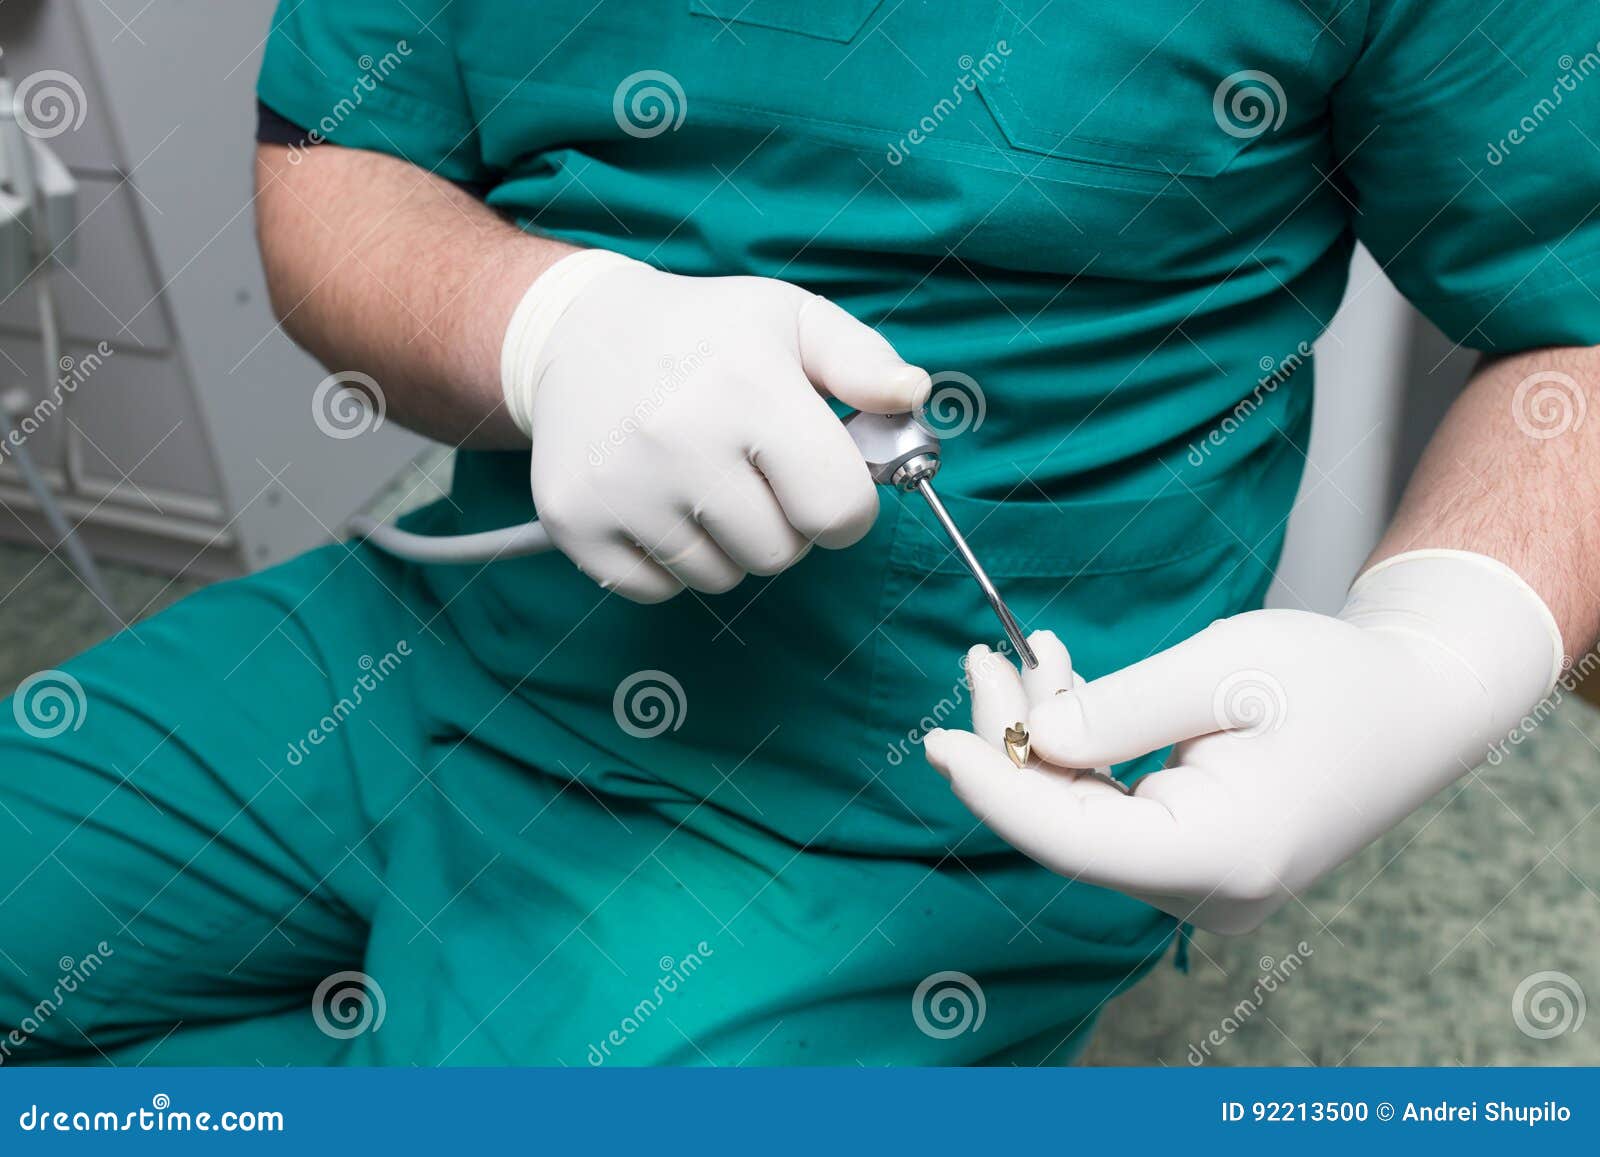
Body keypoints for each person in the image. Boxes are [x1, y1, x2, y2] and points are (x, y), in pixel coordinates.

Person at [1, 0, 1596, 1065]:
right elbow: (339, 164)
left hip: (912, 801)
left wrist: (1441, 650)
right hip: (430, 647)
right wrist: (544, 324)